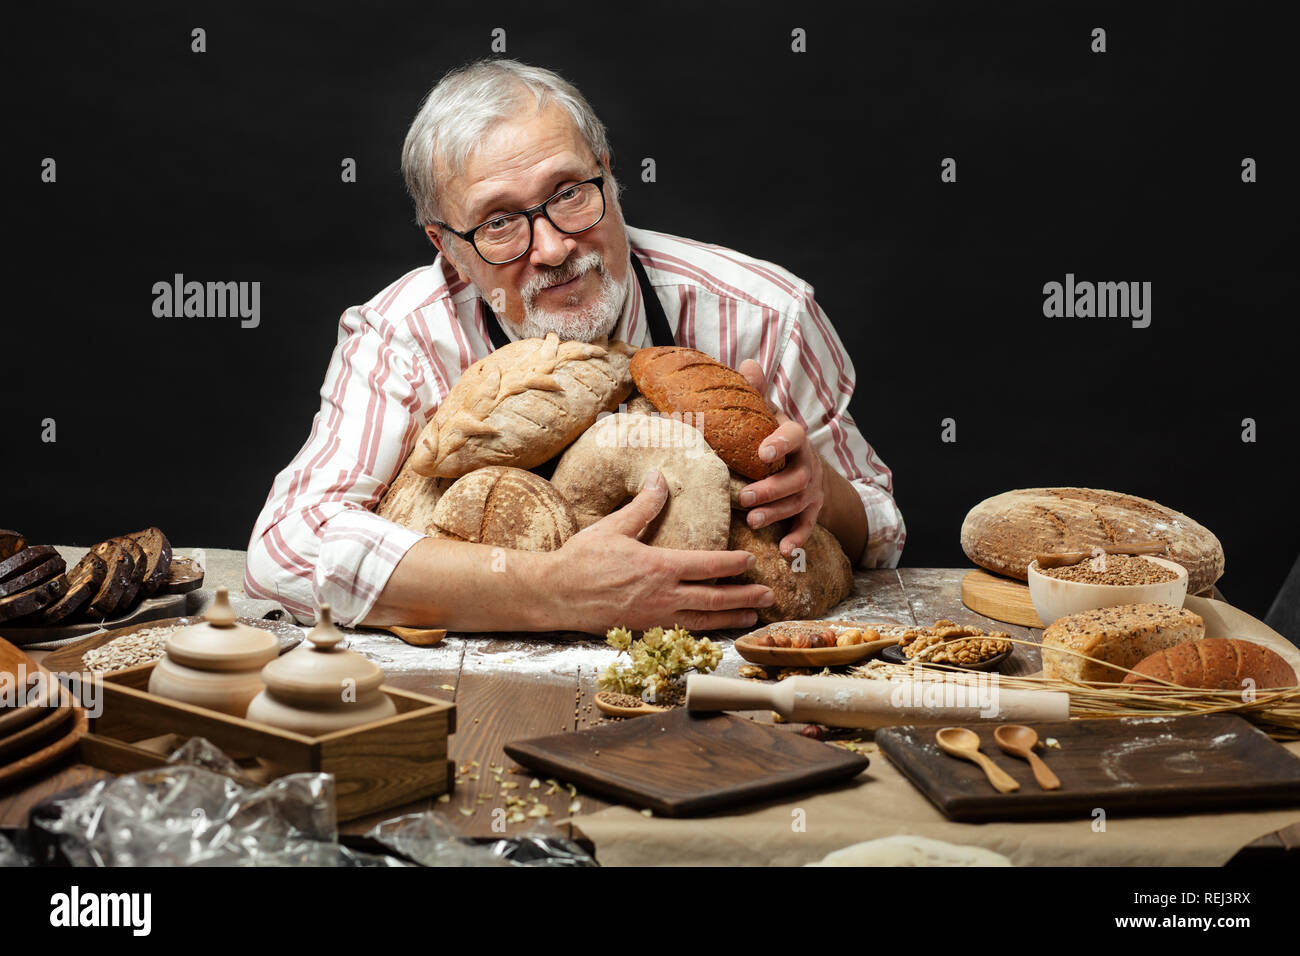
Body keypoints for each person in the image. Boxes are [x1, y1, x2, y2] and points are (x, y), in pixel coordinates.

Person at [245, 59, 904, 633]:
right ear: (446, 248)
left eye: (568, 193)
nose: (555, 249)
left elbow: (880, 526)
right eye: (499, 223)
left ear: (609, 175)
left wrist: (819, 486)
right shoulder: (404, 337)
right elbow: (287, 545)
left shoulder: (762, 312)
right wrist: (552, 592)